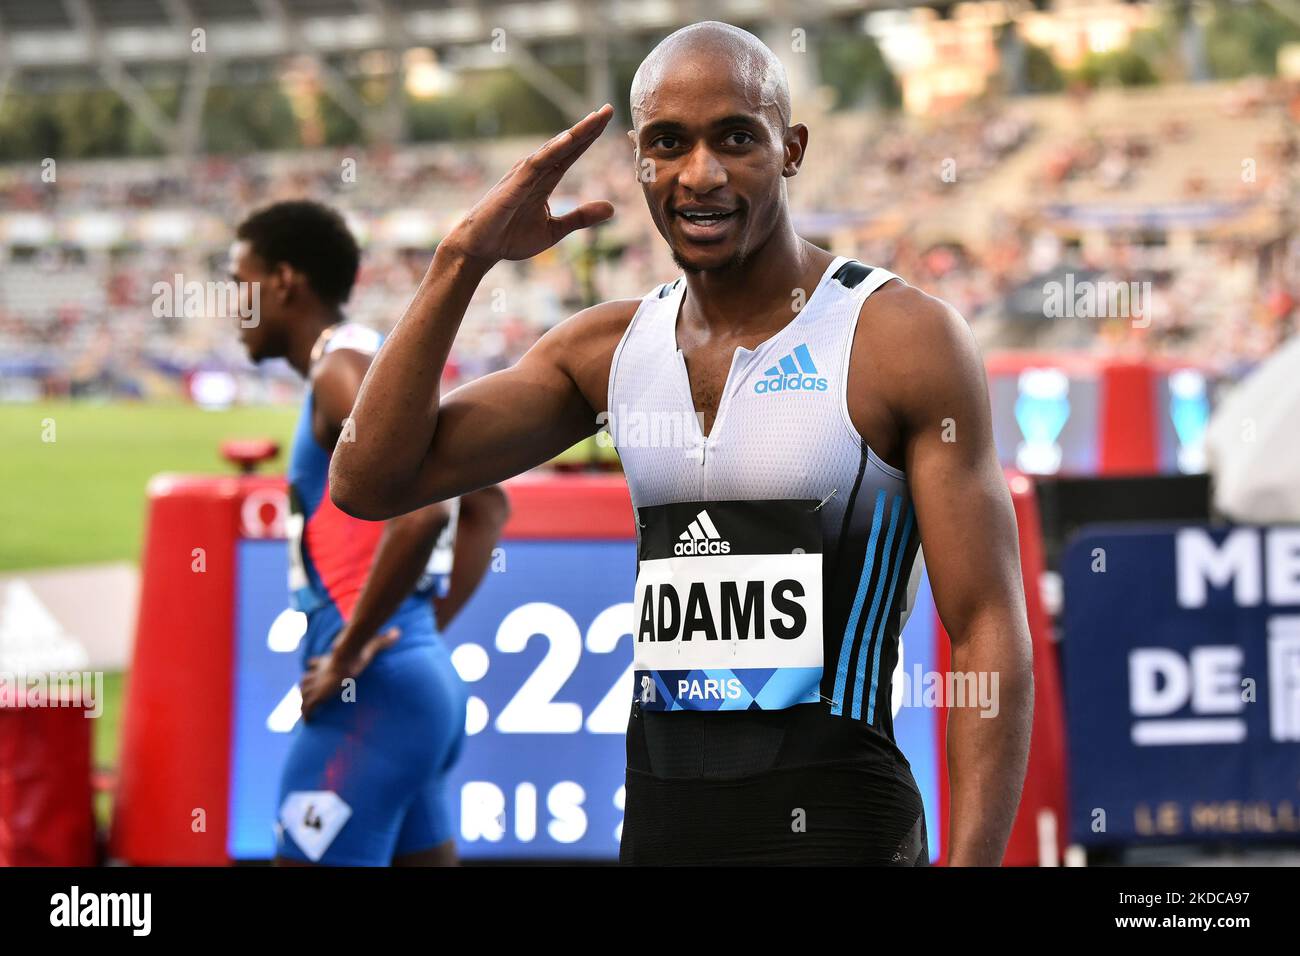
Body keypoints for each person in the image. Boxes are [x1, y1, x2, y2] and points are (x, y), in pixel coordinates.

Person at [330, 22, 1033, 865]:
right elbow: (370, 481)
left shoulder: (899, 341)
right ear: (638, 161)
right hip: (662, 833)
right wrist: (461, 259)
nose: (701, 175)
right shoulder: (605, 352)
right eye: (669, 143)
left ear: (791, 149)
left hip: (843, 830)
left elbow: (988, 623)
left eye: (737, 138)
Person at [231, 200, 508, 866]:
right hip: (410, 687)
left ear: (284, 282)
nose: (231, 306)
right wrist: (416, 632)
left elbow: (429, 510)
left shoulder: (339, 369)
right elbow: (488, 505)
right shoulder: (374, 363)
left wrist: (354, 648)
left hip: (371, 698)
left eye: (240, 285)